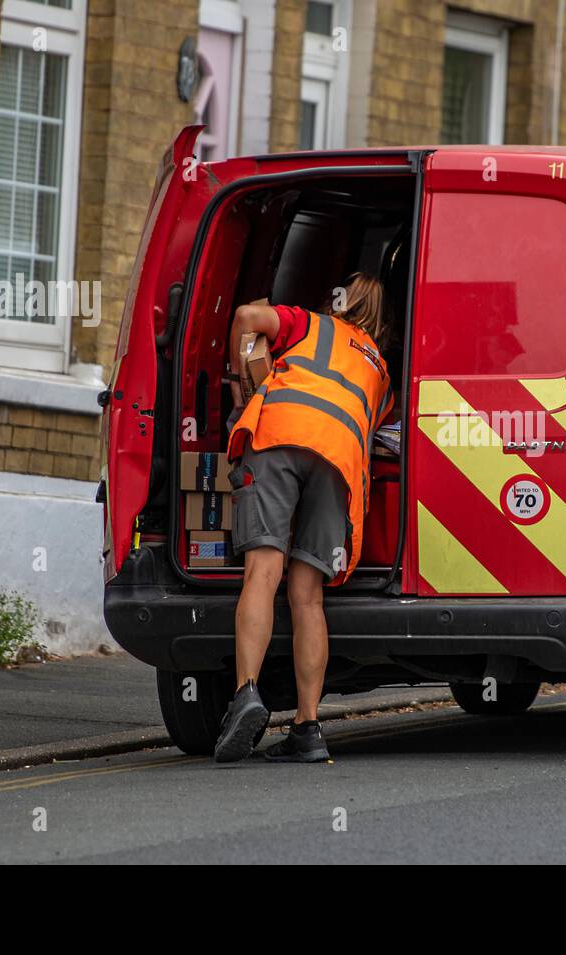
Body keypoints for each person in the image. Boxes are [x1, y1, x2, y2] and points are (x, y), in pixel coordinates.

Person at [213, 272, 391, 763]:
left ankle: (247, 693)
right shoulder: (381, 370)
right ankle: (308, 728)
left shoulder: (310, 324)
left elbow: (248, 317)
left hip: (279, 436)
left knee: (263, 572)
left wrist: (246, 386)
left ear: (342, 301)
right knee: (307, 596)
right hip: (338, 461)